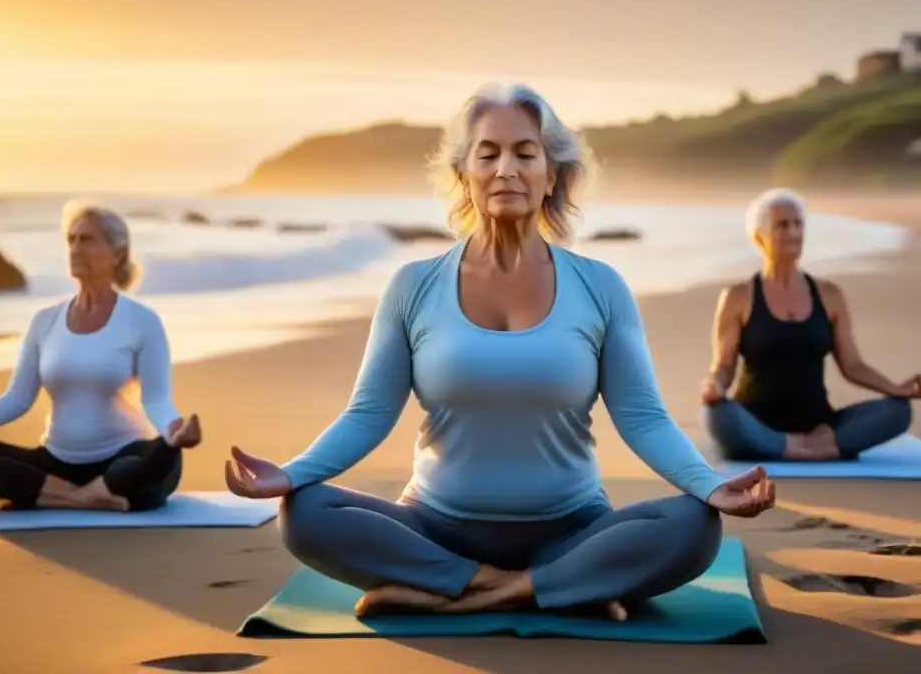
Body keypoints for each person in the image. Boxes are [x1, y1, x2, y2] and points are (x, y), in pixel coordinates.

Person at [221, 82, 775, 621]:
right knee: (306, 513)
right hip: (435, 527)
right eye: (488, 153)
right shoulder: (413, 286)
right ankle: (552, 589)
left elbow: (642, 416)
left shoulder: (600, 286)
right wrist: (290, 475)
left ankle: (459, 591)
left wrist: (709, 486)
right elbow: (368, 414)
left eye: (525, 153)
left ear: (551, 174)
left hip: (572, 530)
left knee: (696, 526)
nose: (506, 168)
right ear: (464, 173)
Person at [0, 202, 202, 511]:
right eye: (70, 240)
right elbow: (17, 398)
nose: (75, 248)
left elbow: (156, 400)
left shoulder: (141, 321)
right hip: (55, 463)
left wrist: (173, 431)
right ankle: (84, 497)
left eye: (86, 240)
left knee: (162, 457)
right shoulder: (45, 321)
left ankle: (52, 496)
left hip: (122, 457)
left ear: (117, 253)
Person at [701, 188, 917, 462]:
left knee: (899, 411)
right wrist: (715, 386)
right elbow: (724, 365)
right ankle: (800, 447)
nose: (793, 232)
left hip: (819, 425)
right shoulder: (739, 296)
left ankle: (799, 447)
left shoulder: (829, 294)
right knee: (716, 415)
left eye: (798, 224)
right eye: (782, 225)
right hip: (757, 423)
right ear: (759, 237)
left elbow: (852, 365)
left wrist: (896, 389)